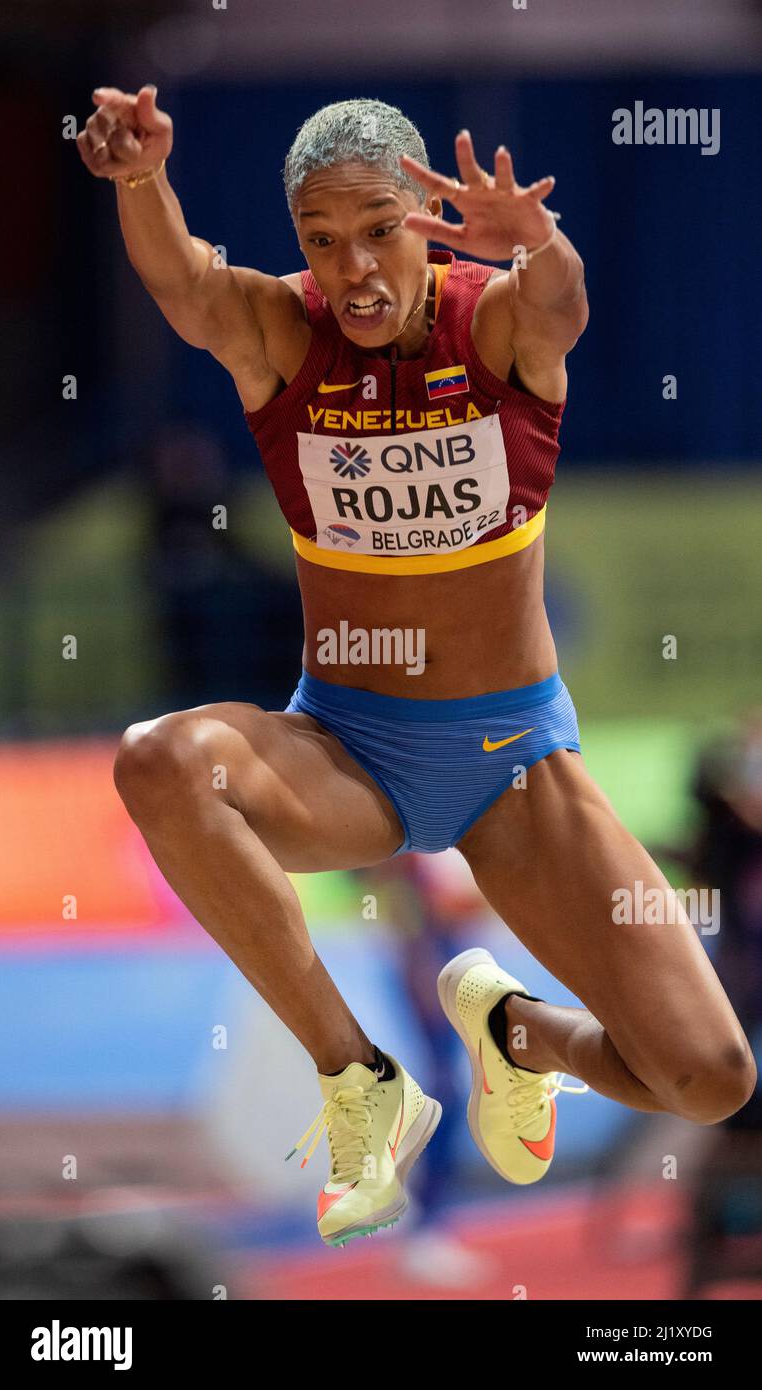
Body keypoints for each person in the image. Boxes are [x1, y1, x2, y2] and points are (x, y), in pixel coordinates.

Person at [78, 89, 756, 1248]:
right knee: (160, 763)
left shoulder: (488, 323)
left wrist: (536, 240)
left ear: (421, 222)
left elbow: (564, 309)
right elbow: (188, 285)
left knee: (709, 1077)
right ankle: (359, 1078)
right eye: (321, 239)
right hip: (348, 750)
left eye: (378, 227)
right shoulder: (283, 335)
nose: (353, 267)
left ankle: (517, 1037)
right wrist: (141, 180)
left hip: (515, 769)